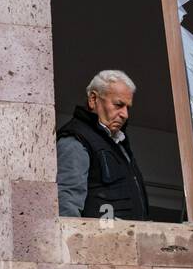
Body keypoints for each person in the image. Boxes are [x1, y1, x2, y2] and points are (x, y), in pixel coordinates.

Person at [56, 70, 150, 220]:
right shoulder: (75, 139)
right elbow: (67, 204)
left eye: (128, 107)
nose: (125, 114)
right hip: (99, 241)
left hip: (125, 240)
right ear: (93, 99)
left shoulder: (118, 141)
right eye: (118, 105)